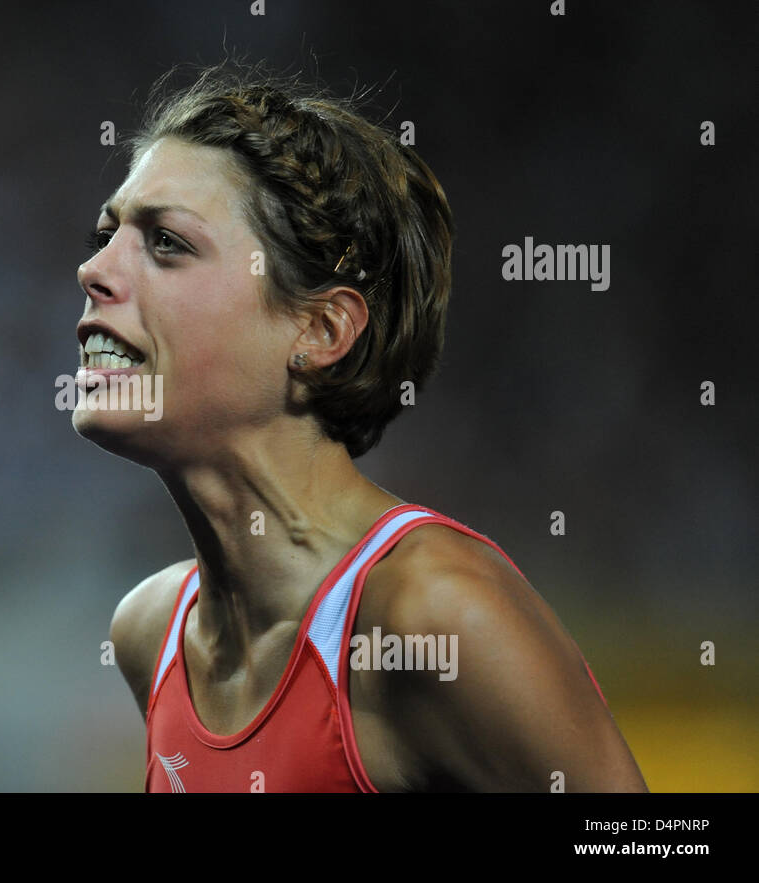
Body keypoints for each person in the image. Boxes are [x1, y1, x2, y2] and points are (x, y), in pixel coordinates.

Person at [71, 62, 646, 792]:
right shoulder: (150, 633)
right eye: (107, 232)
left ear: (320, 328)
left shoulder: (433, 616)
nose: (95, 267)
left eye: (167, 244)